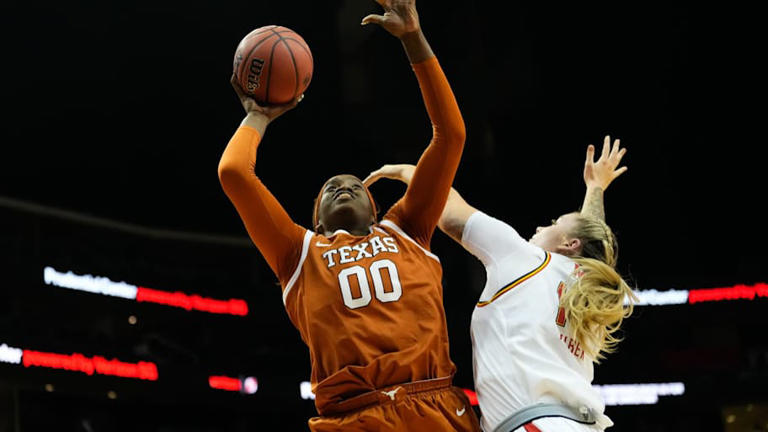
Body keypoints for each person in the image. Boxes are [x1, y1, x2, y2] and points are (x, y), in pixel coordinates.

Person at [217, 0, 481, 430]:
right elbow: (233, 173)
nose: (343, 186)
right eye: (330, 190)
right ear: (317, 222)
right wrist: (257, 116)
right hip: (351, 418)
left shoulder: (408, 228)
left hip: (432, 405)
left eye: (355, 185)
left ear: (376, 210)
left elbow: (450, 136)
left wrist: (414, 39)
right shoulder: (299, 254)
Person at [364, 136, 637, 431]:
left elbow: (449, 211)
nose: (541, 227)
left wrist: (406, 171)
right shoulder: (590, 297)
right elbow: (593, 246)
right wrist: (595, 189)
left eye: (554, 223)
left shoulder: (526, 257)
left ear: (570, 243)